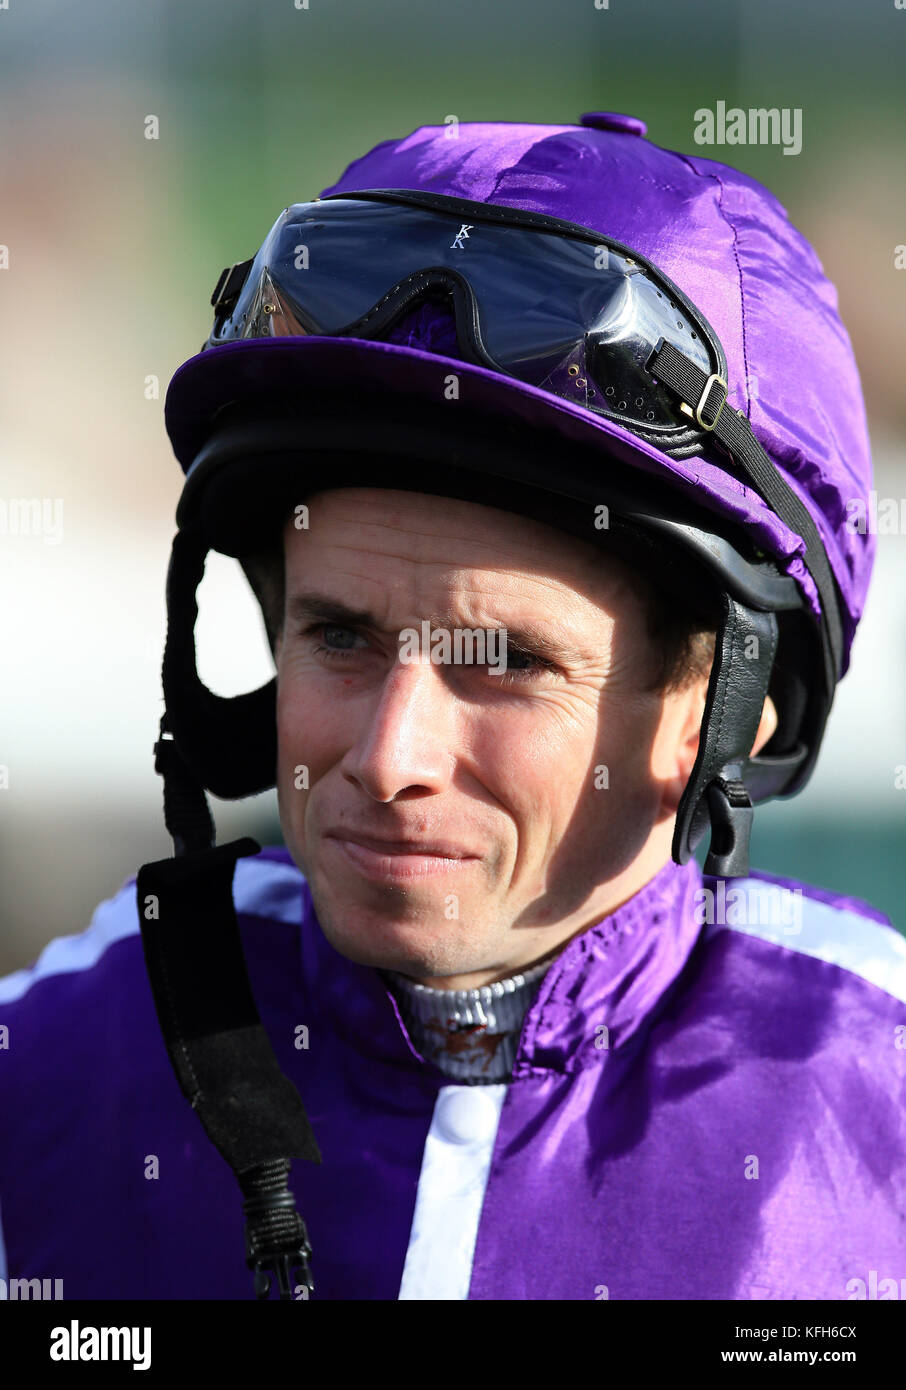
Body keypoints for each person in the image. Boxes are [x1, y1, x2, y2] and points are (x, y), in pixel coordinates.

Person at [1, 113, 904, 1303]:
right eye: (340, 635)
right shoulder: (50, 1068)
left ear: (726, 712)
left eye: (504, 661)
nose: (389, 756)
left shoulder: (877, 1110)